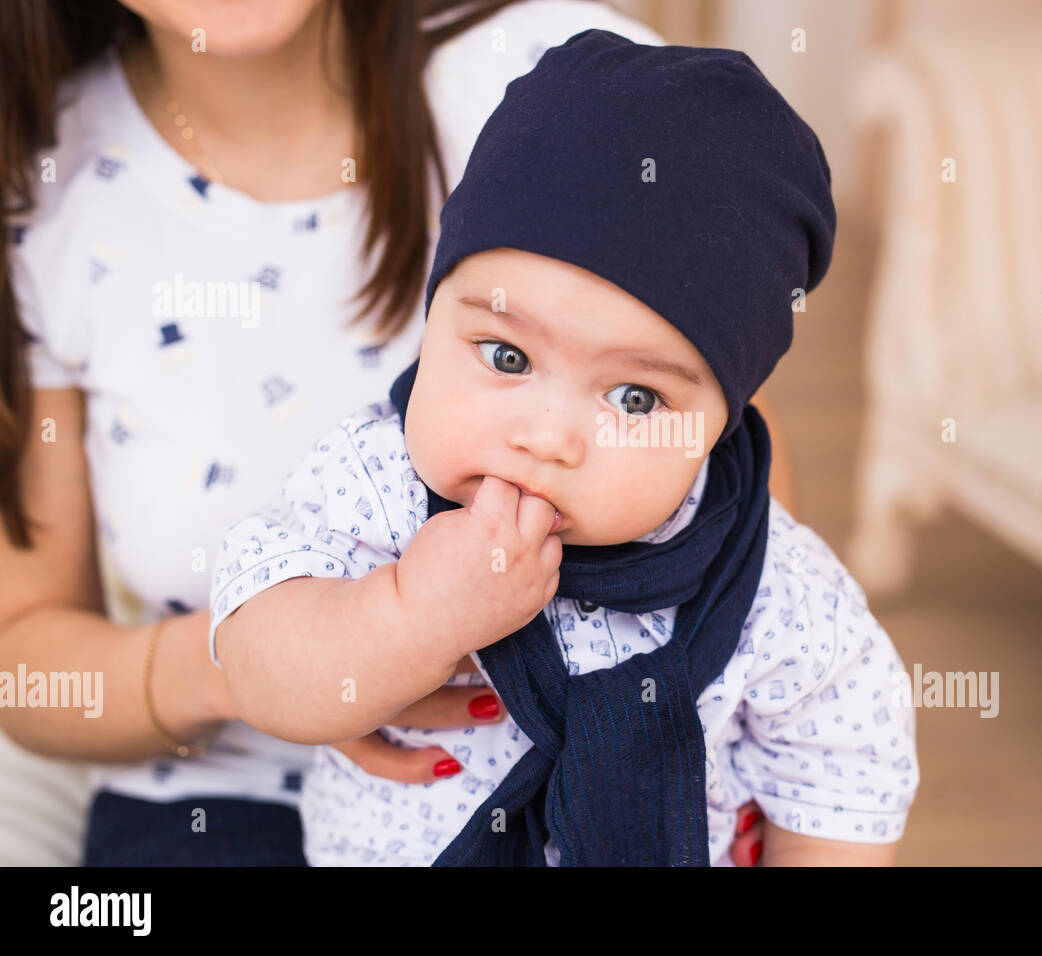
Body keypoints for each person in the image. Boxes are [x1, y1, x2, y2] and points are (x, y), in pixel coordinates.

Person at [0, 0, 774, 866]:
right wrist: (288, 664)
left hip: (568, 772)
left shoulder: (583, 88)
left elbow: (743, 520)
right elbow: (21, 657)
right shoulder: (40, 186)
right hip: (222, 794)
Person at [210, 28, 918, 866]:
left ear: (718, 425)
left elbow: (845, 770)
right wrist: (408, 615)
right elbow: (259, 668)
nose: (544, 436)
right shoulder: (377, 485)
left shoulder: (767, 582)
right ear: (431, 322)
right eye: (506, 357)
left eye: (634, 397)